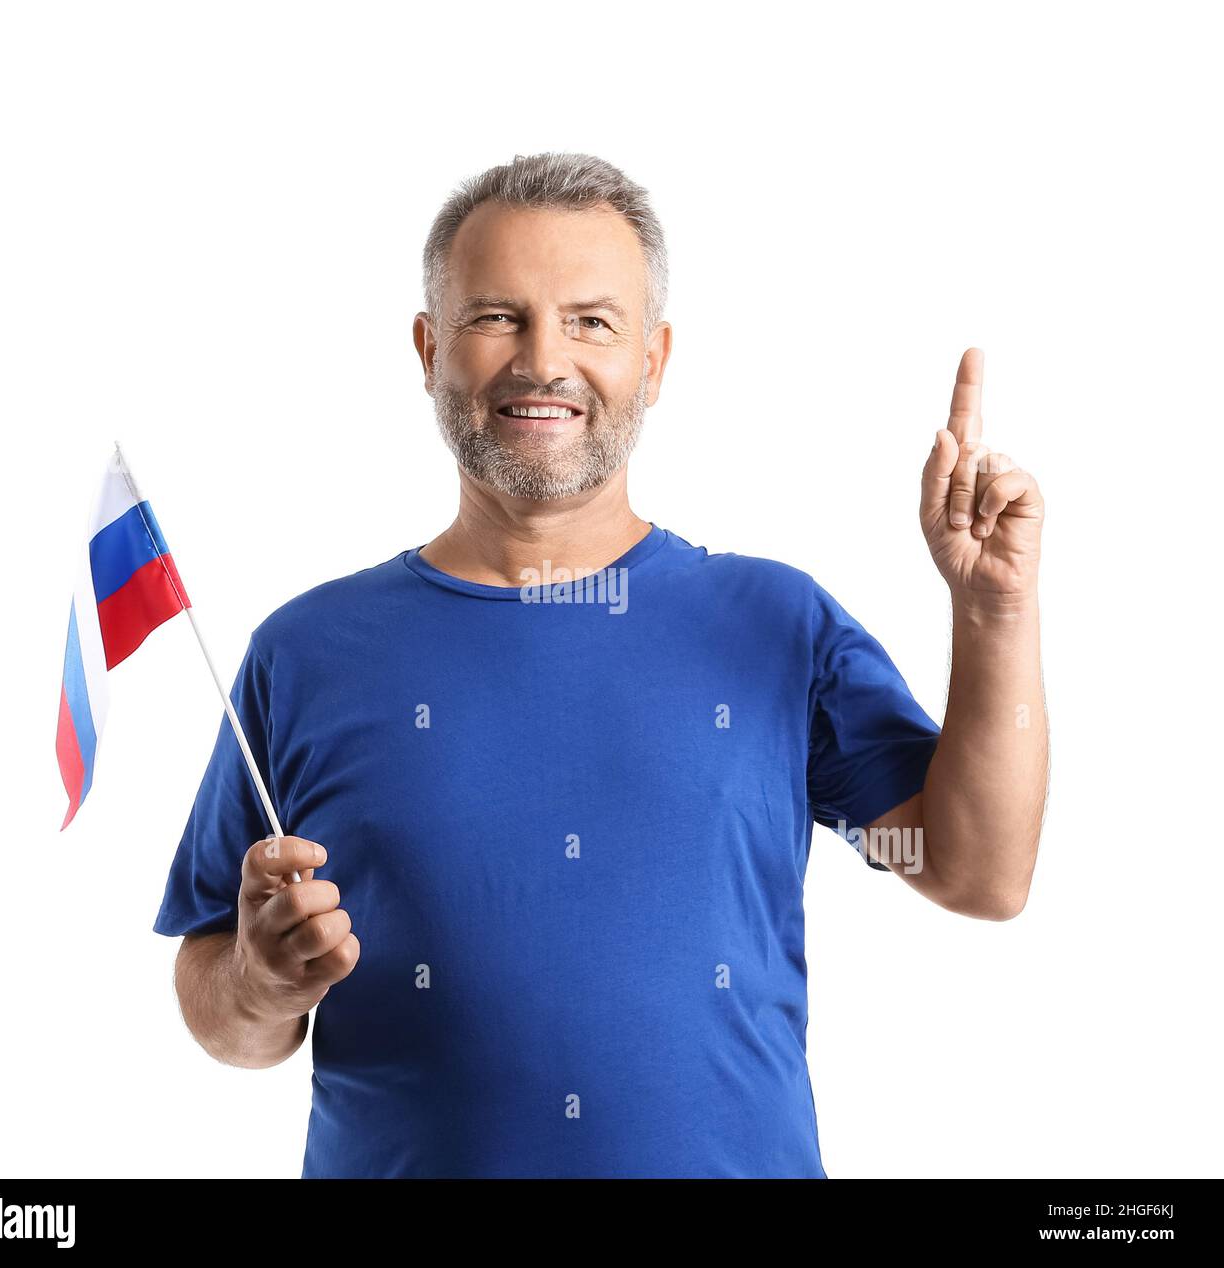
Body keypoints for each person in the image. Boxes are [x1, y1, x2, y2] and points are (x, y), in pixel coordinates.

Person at [153, 151, 1048, 1179]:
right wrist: (264, 985)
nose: (544, 359)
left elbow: (974, 872)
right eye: (497, 316)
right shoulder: (303, 653)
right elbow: (222, 1004)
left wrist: (994, 607)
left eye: (590, 320)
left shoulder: (773, 624)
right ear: (428, 346)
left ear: (655, 360)